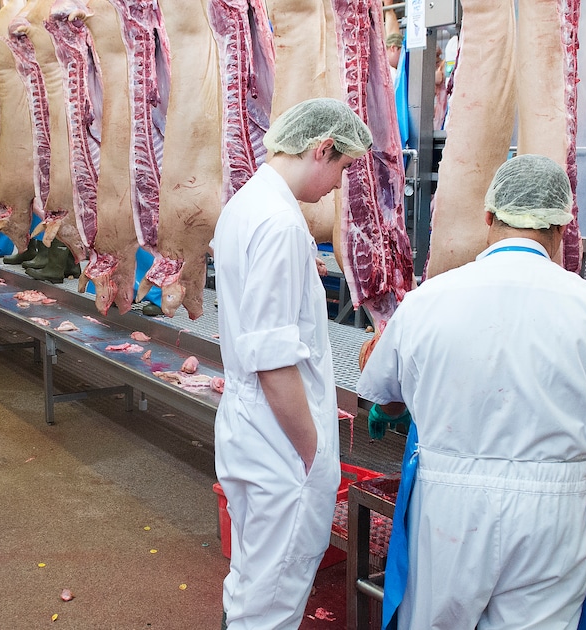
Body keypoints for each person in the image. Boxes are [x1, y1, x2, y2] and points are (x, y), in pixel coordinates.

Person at [355, 154, 586, 630]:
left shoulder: (427, 301)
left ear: (489, 216)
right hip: (551, 517)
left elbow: (387, 400)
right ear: (562, 227)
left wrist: (396, 400)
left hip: (449, 509)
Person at [212, 97, 372, 629]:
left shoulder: (246, 204)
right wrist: (312, 454)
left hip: (248, 423)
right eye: (342, 168)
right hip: (278, 439)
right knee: (272, 601)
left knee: (252, 582)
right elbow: (273, 361)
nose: (338, 185)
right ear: (322, 149)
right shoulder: (280, 223)